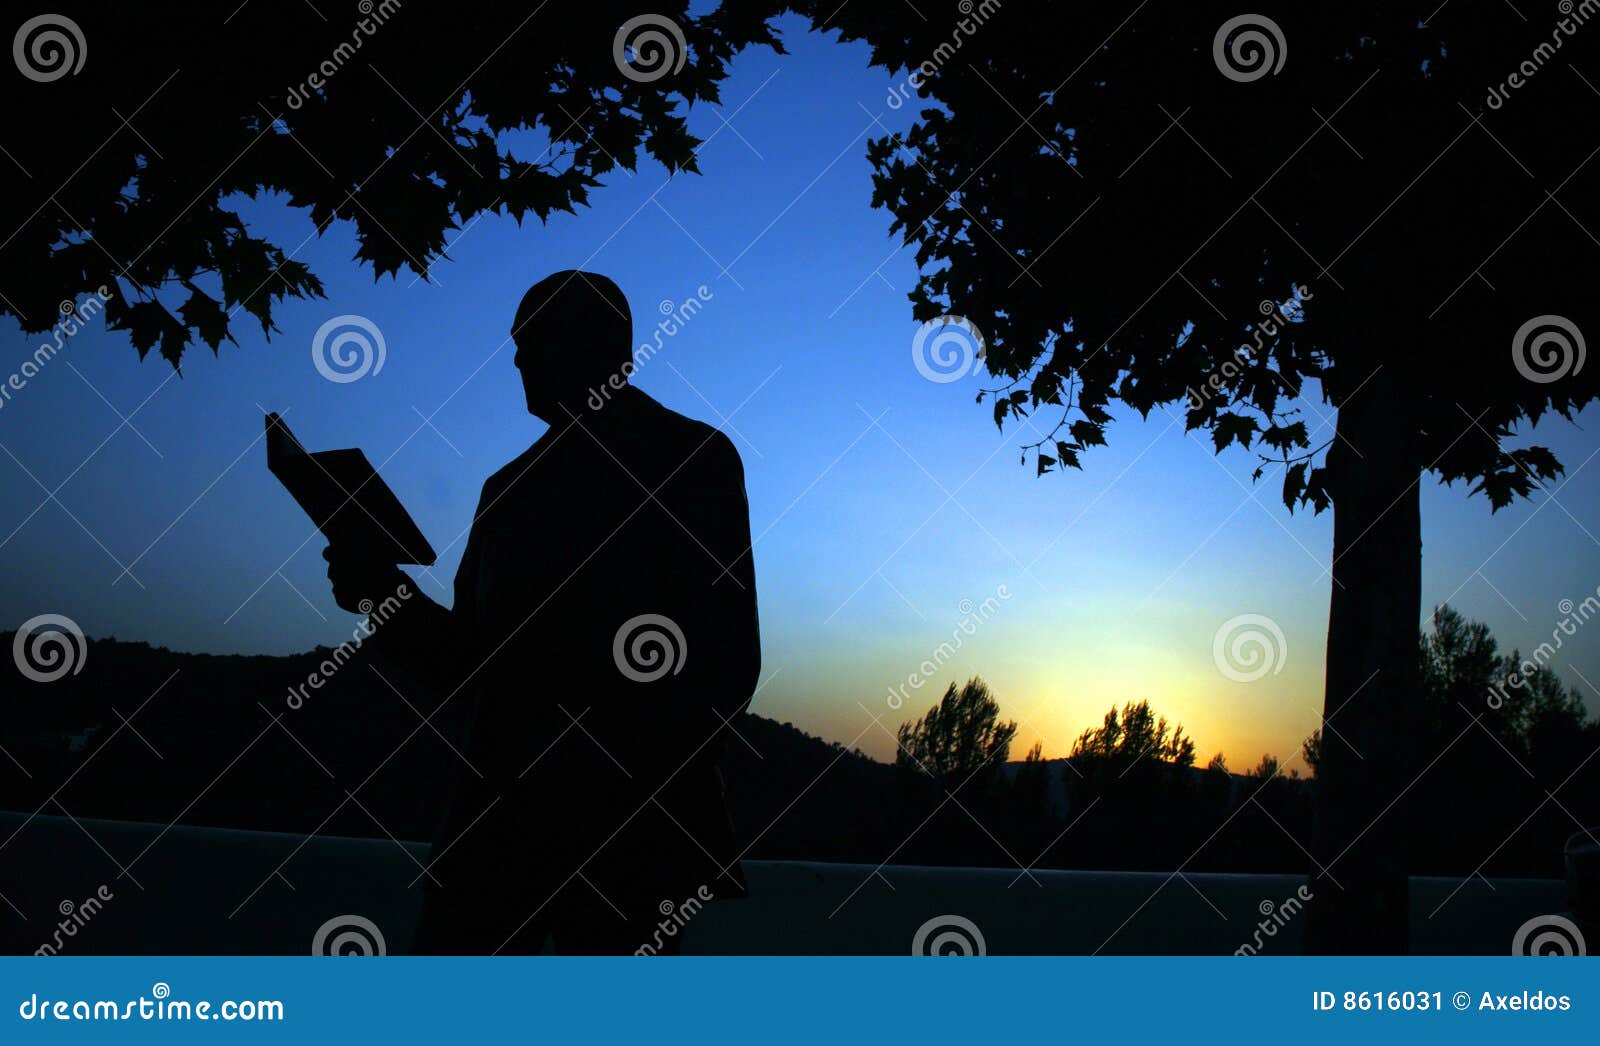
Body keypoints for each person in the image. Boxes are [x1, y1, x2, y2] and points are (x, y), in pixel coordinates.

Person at [323, 270, 760, 954]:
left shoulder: (690, 460)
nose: (519, 360)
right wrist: (381, 593)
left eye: (530, 342)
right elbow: (469, 667)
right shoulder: (510, 490)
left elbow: (727, 661)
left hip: (621, 842)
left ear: (589, 344)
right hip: (509, 834)